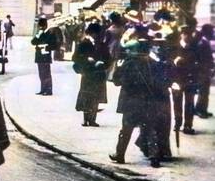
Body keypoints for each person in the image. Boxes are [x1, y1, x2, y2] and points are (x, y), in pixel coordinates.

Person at [110, 30, 168, 168]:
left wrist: (117, 68)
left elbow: (117, 81)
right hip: (148, 102)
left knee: (126, 130)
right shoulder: (153, 63)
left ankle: (120, 155)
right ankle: (154, 157)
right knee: (149, 129)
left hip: (131, 102)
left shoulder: (128, 63)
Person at [72, 21, 108, 127]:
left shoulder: (102, 44)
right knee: (86, 96)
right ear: (92, 33)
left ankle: (92, 119)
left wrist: (103, 63)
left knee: (95, 98)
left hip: (99, 73)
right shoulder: (84, 43)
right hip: (88, 73)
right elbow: (75, 58)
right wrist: (86, 59)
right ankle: (86, 119)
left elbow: (108, 58)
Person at [33, 17, 56, 95]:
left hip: (46, 56)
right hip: (39, 56)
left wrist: (46, 46)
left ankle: (49, 90)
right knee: (41, 74)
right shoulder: (39, 34)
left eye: (41, 26)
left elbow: (54, 45)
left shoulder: (50, 33)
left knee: (46, 73)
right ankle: (43, 89)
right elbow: (33, 42)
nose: (40, 28)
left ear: (45, 26)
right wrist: (37, 35)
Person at [195, 24, 214, 119]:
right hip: (202, 70)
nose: (213, 33)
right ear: (207, 31)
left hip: (205, 69)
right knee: (203, 91)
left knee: (205, 91)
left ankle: (202, 109)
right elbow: (201, 58)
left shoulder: (204, 41)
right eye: (211, 31)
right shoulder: (202, 43)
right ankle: (200, 110)